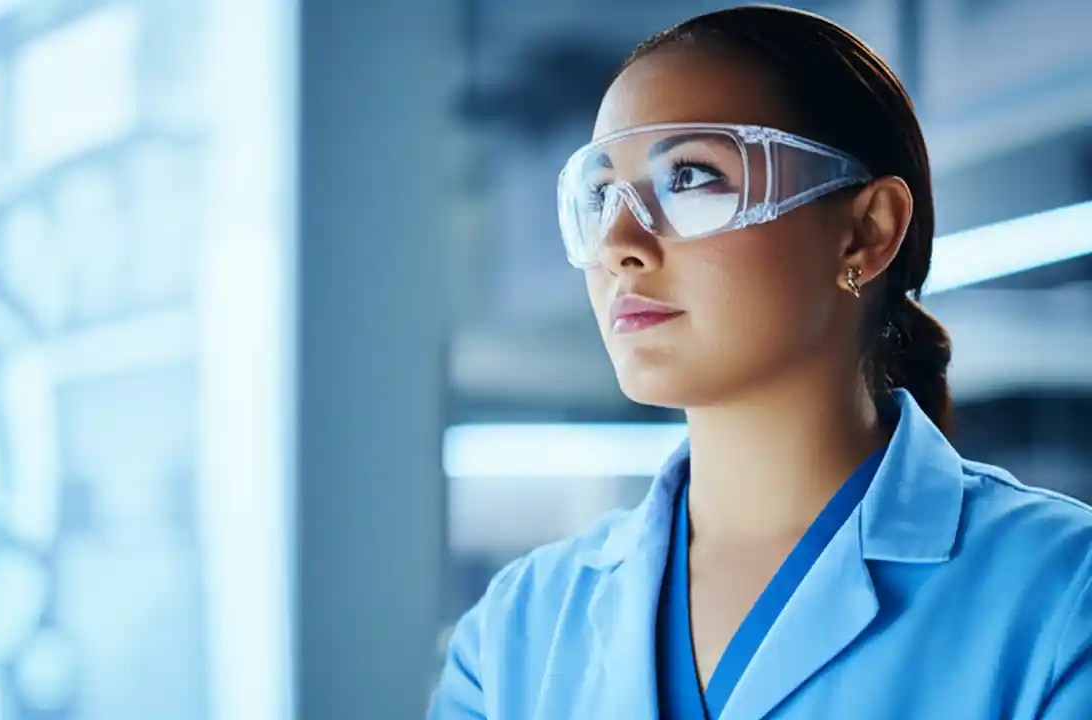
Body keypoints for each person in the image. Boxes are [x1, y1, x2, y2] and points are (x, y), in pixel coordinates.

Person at [429, 5, 1092, 719]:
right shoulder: (517, 629)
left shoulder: (1061, 597)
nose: (619, 240)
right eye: (598, 196)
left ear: (865, 234)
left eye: (690, 178)